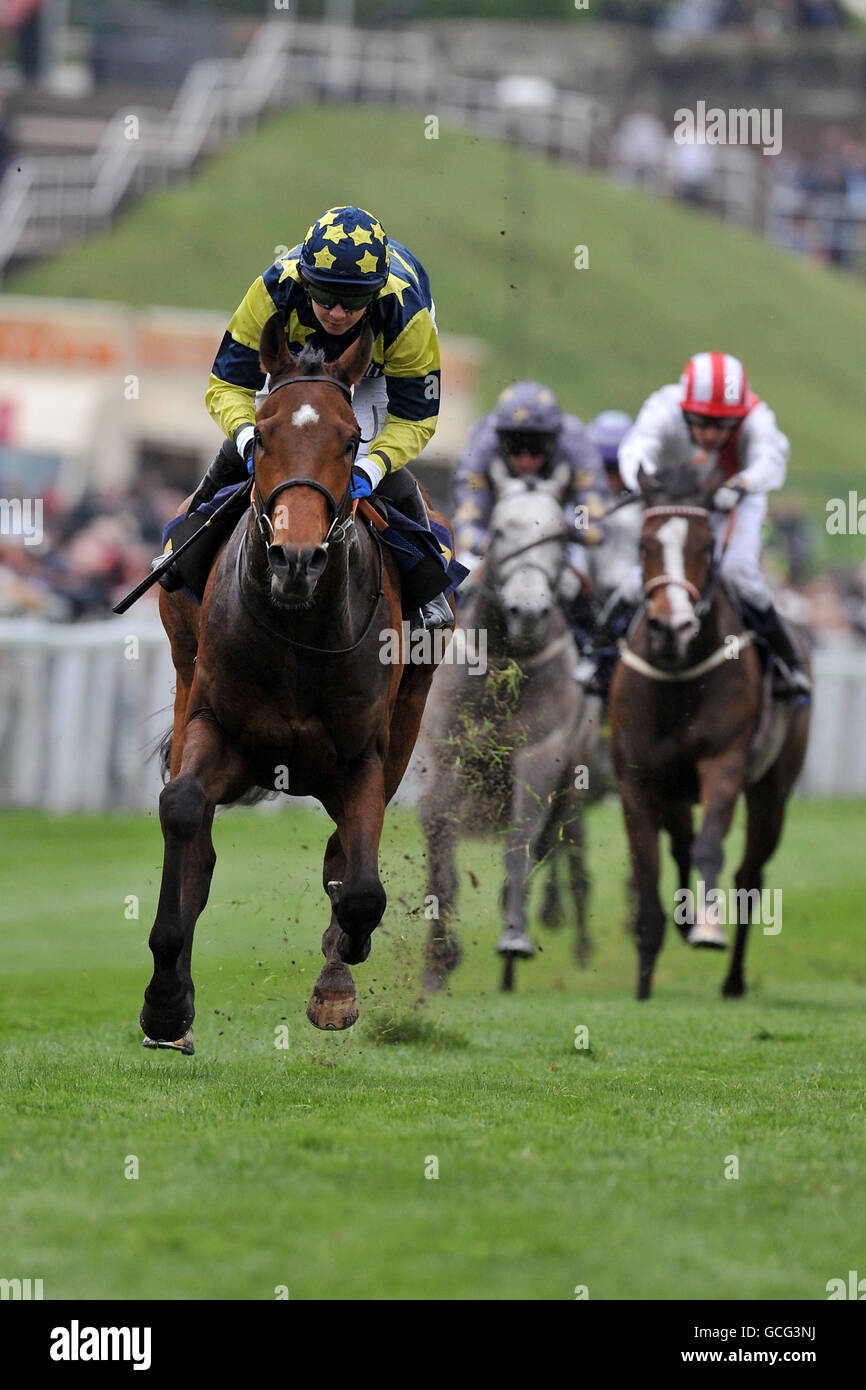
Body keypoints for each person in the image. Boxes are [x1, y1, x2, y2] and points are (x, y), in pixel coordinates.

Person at [169, 205, 451, 628]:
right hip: (291, 367)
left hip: (373, 372)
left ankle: (429, 587)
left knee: (358, 452)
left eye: (355, 301)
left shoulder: (406, 315)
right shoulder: (272, 291)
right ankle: (185, 547)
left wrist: (372, 469)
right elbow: (227, 387)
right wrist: (248, 438)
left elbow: (415, 420)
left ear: (373, 294)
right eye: (325, 295)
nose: (338, 312)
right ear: (304, 281)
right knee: (266, 440)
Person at [618, 352, 811, 700]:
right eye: (701, 421)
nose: (710, 434)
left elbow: (771, 461)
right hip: (675, 498)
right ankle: (599, 653)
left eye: (722, 426)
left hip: (733, 496)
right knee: (638, 578)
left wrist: (740, 485)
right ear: (685, 410)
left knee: (738, 571)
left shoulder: (757, 417)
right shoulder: (663, 407)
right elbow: (636, 448)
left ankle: (788, 661)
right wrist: (645, 483)